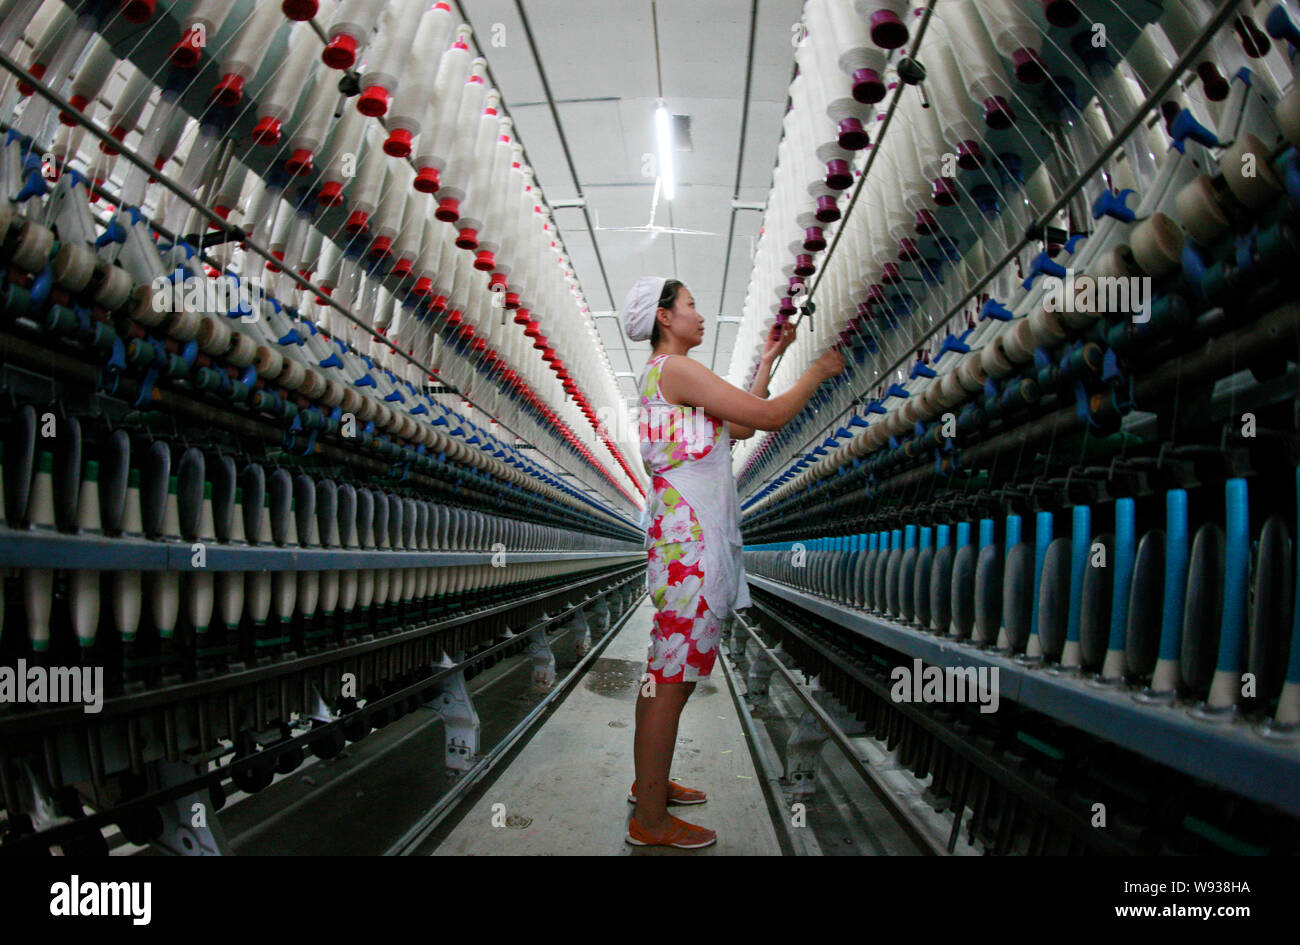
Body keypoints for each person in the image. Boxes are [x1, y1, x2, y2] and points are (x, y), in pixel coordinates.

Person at [619, 275, 845, 849]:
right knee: (670, 680)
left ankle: (650, 786)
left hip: (686, 543)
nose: (700, 314)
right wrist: (818, 372)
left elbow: (740, 424)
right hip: (690, 546)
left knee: (669, 675)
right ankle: (649, 819)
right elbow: (768, 420)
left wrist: (771, 358)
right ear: (665, 318)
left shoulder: (669, 378)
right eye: (691, 305)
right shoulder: (675, 369)